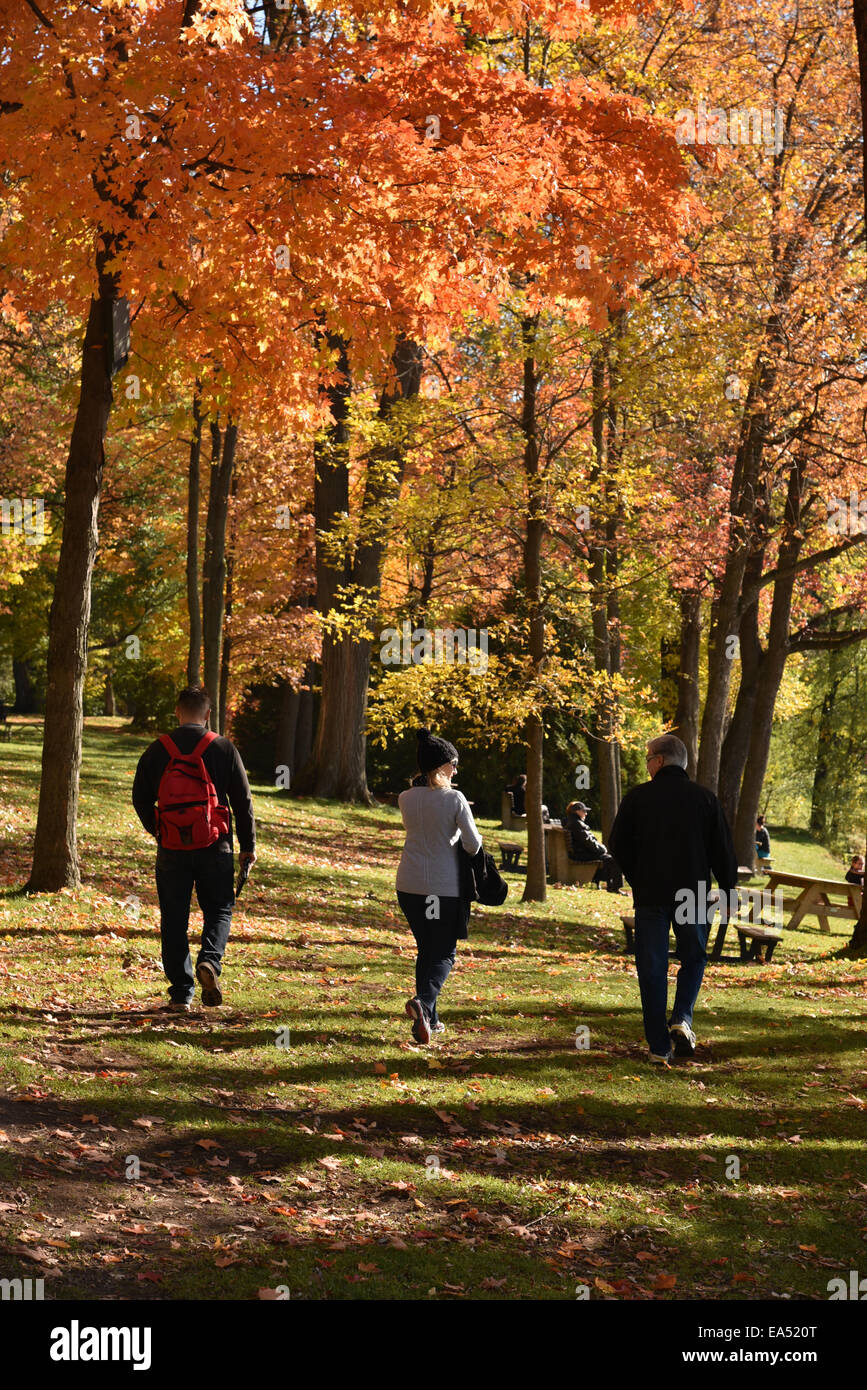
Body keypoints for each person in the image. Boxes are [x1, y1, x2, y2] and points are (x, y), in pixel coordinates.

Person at [608, 734, 737, 1065]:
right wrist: (728, 889)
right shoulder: (705, 799)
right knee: (694, 958)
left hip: (651, 895)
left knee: (652, 967)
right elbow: (723, 850)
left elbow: (618, 845)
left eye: (648, 757)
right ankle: (682, 1017)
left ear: (661, 761)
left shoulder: (638, 797)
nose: (647, 763)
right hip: (692, 893)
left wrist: (638, 877)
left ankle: (658, 1046)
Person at [132, 685, 256, 1012]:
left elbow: (140, 798)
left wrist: (158, 828)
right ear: (208, 714)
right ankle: (210, 963)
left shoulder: (158, 750)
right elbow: (243, 803)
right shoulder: (223, 748)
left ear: (177, 712)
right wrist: (248, 847)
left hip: (171, 846)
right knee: (219, 908)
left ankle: (180, 995)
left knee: (174, 917)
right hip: (215, 845)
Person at [396, 727, 482, 1044]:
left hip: (409, 885)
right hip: (442, 889)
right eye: (453, 764)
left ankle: (429, 1019)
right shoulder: (454, 798)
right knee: (444, 953)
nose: (456, 770)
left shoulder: (406, 798)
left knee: (426, 950)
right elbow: (473, 845)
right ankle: (423, 1003)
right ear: (442, 766)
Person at [563, 800, 625, 893]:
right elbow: (588, 842)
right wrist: (602, 849)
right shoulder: (577, 824)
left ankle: (610, 886)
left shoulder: (572, 822)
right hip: (582, 854)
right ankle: (615, 888)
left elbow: (587, 841)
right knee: (615, 860)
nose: (586, 813)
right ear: (577, 811)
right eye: (584, 811)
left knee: (608, 859)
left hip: (580, 852)